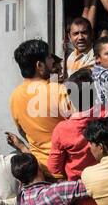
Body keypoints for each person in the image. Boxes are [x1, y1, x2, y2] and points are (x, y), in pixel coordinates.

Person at [8, 39, 72, 170]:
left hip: (40, 169)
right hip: (66, 168)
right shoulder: (59, 91)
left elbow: (22, 131)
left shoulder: (14, 96)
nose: (52, 61)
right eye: (49, 58)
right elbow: (77, 128)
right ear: (39, 65)